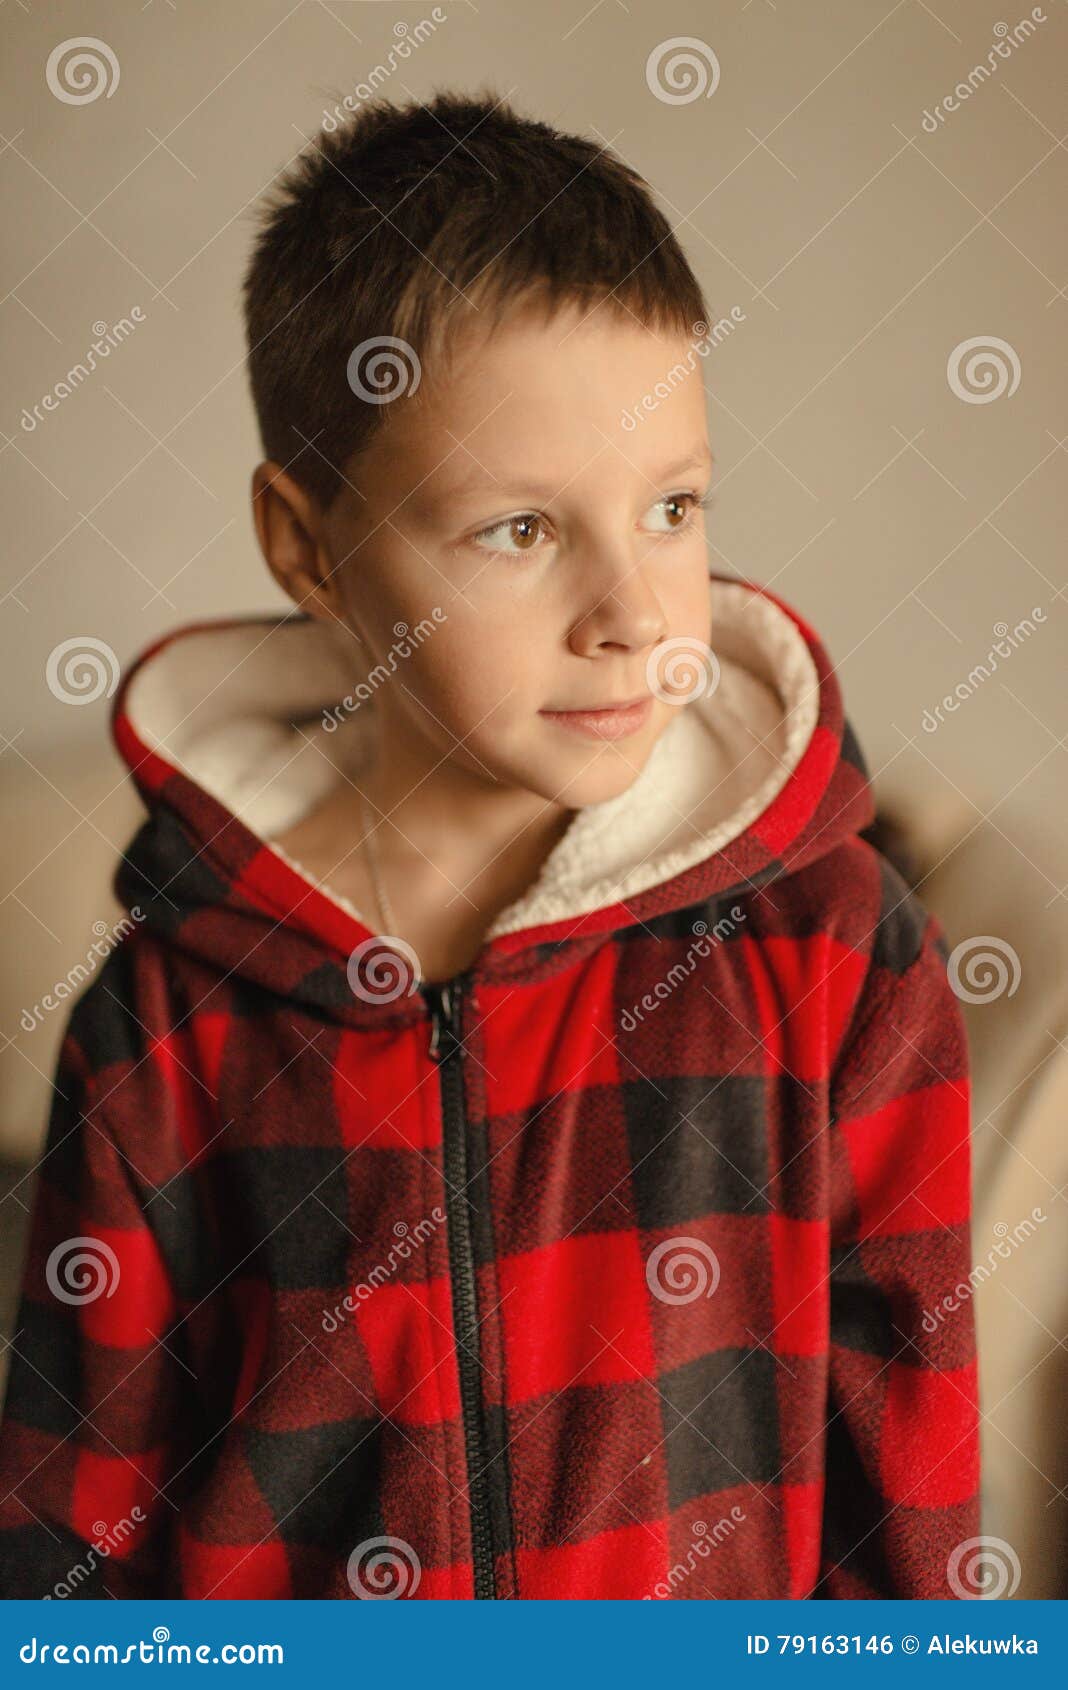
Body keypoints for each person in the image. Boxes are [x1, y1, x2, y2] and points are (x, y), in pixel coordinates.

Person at [0, 90, 978, 1599]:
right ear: (307, 545)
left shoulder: (836, 947)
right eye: (520, 530)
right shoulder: (167, 1018)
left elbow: (907, 1506)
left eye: (670, 506)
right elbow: (67, 1538)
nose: (633, 612)